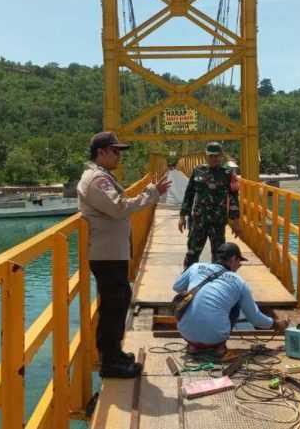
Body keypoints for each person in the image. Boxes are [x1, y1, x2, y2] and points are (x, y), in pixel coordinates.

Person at [77, 131, 171, 378]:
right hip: (106, 254)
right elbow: (119, 208)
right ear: (102, 152)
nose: (120, 156)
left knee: (116, 304)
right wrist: (151, 194)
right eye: (116, 151)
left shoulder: (102, 176)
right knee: (113, 306)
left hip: (111, 252)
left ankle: (114, 354)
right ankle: (110, 362)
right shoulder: (96, 180)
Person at [172, 242, 288, 355]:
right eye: (239, 261)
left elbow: (177, 287)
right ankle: (219, 347)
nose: (239, 266)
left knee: (190, 299)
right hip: (215, 338)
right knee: (235, 303)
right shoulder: (238, 282)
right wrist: (276, 324)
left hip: (185, 333)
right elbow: (255, 319)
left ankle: (193, 346)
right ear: (233, 259)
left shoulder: (196, 267)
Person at [178, 142, 241, 268]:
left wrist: (235, 221)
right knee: (192, 253)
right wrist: (182, 216)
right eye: (211, 156)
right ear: (206, 156)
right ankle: (188, 278)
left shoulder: (228, 174)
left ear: (221, 156)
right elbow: (189, 194)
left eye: (217, 156)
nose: (214, 159)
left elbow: (233, 198)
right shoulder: (198, 171)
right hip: (198, 221)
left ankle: (216, 282)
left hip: (217, 222)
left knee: (219, 257)